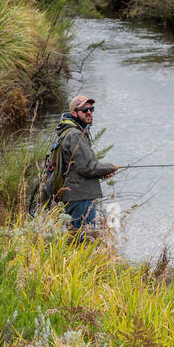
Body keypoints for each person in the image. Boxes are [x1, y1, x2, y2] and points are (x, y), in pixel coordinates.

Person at [54, 95, 121, 240]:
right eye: (84, 110)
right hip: (80, 197)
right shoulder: (75, 135)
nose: (89, 112)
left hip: (75, 195)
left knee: (75, 239)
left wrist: (102, 173)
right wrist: (110, 167)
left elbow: (77, 167)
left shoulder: (69, 132)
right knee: (84, 240)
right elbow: (88, 167)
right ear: (74, 113)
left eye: (91, 109)